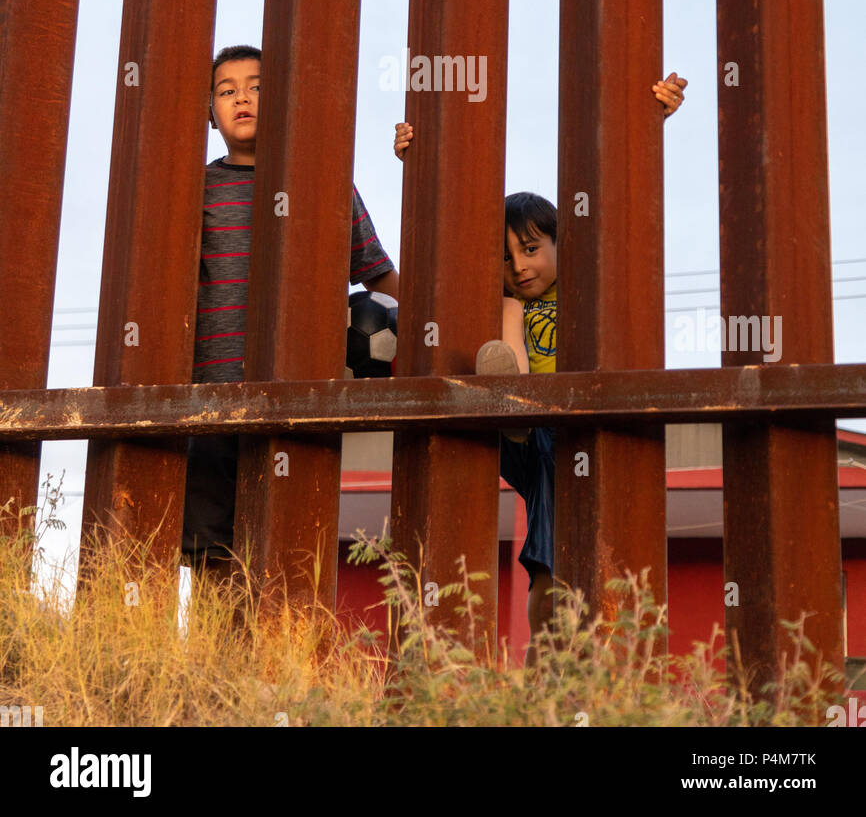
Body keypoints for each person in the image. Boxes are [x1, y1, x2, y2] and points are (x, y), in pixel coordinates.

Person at [393, 71, 687, 650]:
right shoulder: (502, 300)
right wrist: (416, 163)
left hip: (564, 430)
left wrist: (654, 123)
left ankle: (556, 652)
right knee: (503, 329)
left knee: (552, 542)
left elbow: (619, 204)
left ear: (560, 244)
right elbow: (441, 233)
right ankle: (515, 398)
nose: (520, 267)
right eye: (505, 258)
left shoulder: (579, 286)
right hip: (516, 432)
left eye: (530, 250)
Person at [182, 44, 398, 577]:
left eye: (256, 86)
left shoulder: (322, 185)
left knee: (290, 547)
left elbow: (380, 276)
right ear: (210, 113)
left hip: (298, 397)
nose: (242, 98)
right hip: (210, 394)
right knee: (212, 552)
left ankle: (281, 655)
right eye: (226, 90)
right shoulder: (196, 188)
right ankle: (219, 657)